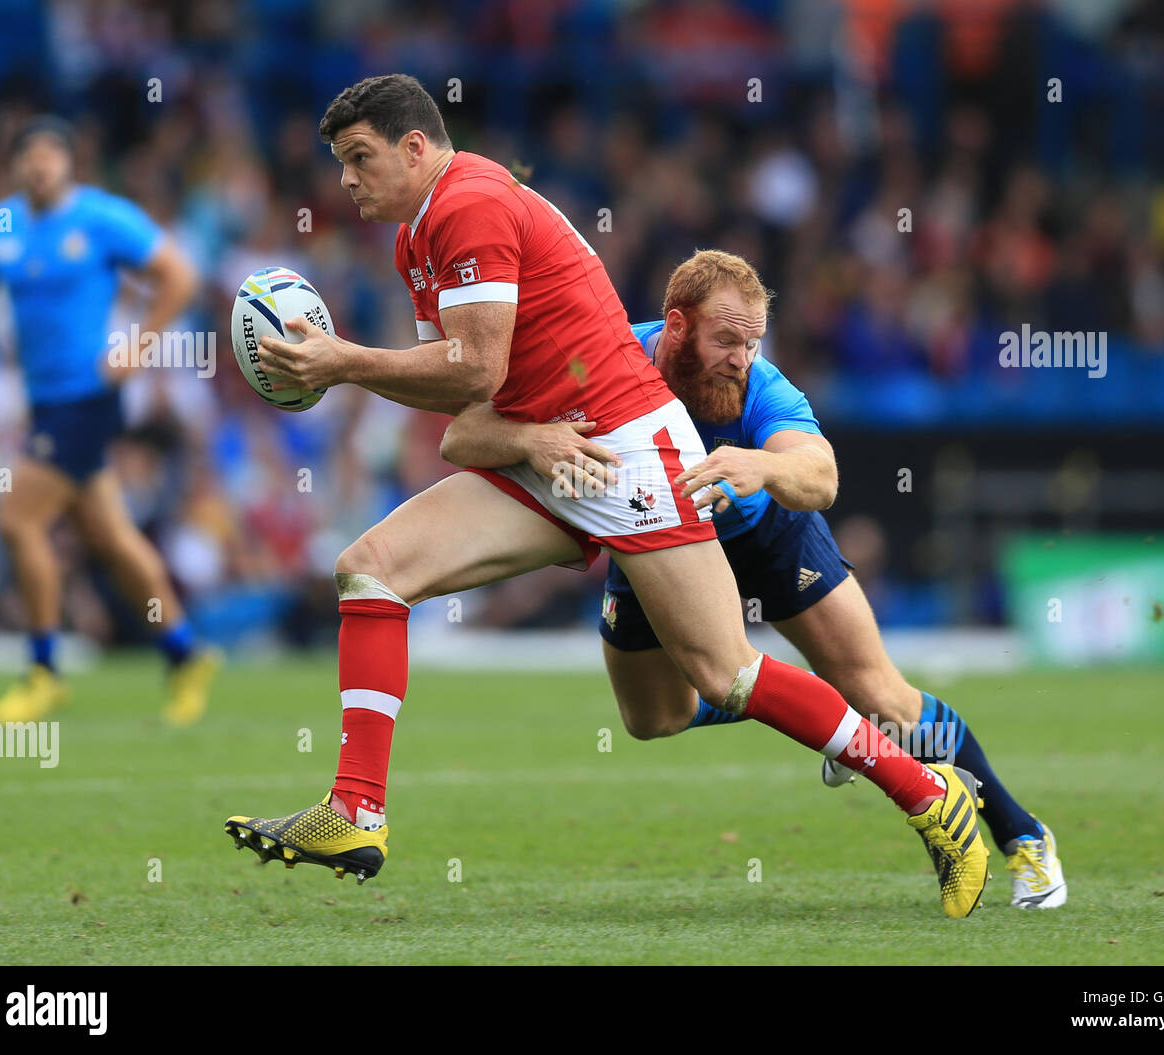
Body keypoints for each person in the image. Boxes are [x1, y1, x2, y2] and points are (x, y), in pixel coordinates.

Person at [224, 75, 988, 917]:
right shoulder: (418, 238)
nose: (346, 181)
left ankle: (928, 793)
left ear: (414, 148)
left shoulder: (468, 200)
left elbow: (472, 368)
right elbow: (464, 416)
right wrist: (528, 439)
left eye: (359, 158)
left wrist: (341, 361)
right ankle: (355, 811)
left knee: (725, 673)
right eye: (339, 164)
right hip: (560, 455)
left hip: (626, 447)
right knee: (370, 569)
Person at [441, 249, 1066, 910]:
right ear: (675, 327)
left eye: (753, 341)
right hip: (654, 542)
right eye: (726, 340)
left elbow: (820, 478)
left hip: (767, 539)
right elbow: (462, 436)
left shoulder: (764, 389)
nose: (743, 357)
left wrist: (762, 470)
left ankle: (1024, 836)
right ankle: (830, 719)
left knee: (883, 696)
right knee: (652, 718)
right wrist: (536, 443)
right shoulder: (606, 359)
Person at [0, 117, 220, 726]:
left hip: (88, 396)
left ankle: (44, 671)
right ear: (14, 166)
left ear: (71, 164)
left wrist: (139, 346)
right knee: (110, 537)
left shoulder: (101, 218)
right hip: (45, 403)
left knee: (16, 516)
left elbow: (177, 275)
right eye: (29, 154)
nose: (40, 164)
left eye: (52, 153)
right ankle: (185, 653)